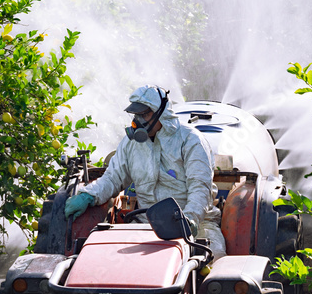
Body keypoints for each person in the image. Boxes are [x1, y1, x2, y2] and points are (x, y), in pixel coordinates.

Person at [64, 85, 226, 257]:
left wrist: (190, 218)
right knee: (111, 260)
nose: (138, 121)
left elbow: (200, 188)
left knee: (212, 259)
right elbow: (112, 178)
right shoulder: (131, 144)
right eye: (136, 115)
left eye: (144, 114)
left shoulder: (191, 140)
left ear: (161, 113)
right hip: (145, 224)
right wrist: (88, 195)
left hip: (197, 225)